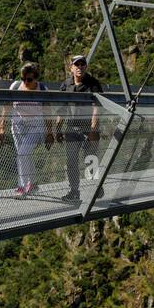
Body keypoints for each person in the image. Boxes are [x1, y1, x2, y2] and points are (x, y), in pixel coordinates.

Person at [0, 62, 53, 197]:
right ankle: (32, 184)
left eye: (29, 79)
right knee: (23, 155)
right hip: (17, 126)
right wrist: (1, 127)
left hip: (36, 126)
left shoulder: (42, 89)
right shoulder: (16, 86)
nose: (26, 82)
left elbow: (48, 112)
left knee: (23, 154)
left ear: (36, 78)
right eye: (23, 79)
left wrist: (49, 133)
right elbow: (6, 106)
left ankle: (22, 187)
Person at [55, 54, 103, 202]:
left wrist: (93, 130)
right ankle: (74, 192)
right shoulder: (66, 85)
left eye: (82, 64)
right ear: (71, 68)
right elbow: (62, 108)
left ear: (86, 67)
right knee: (71, 162)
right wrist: (58, 128)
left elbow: (97, 108)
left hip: (88, 128)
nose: (80, 67)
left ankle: (96, 187)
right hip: (71, 128)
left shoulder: (93, 84)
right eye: (77, 65)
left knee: (90, 159)